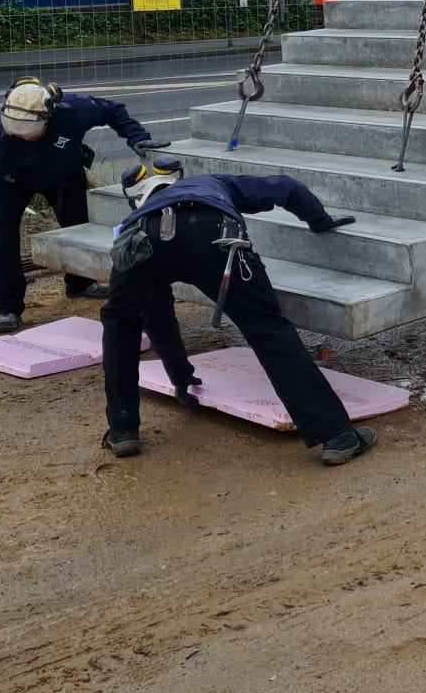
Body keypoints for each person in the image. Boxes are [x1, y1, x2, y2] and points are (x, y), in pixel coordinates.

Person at [99, 156, 377, 468]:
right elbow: (286, 187)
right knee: (268, 330)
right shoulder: (210, 183)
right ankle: (337, 436)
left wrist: (181, 377)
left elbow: (157, 317)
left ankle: (123, 431)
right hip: (212, 234)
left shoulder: (137, 215)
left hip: (142, 240)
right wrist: (319, 220)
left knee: (120, 326)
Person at [0, 79, 166, 334]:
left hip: (63, 175)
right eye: (18, 132)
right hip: (12, 182)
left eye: (29, 131)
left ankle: (80, 284)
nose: (24, 137)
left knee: (79, 223)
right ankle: (7, 307)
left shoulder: (74, 109)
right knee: (1, 238)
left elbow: (113, 110)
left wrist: (137, 138)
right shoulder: (3, 138)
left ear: (48, 117)